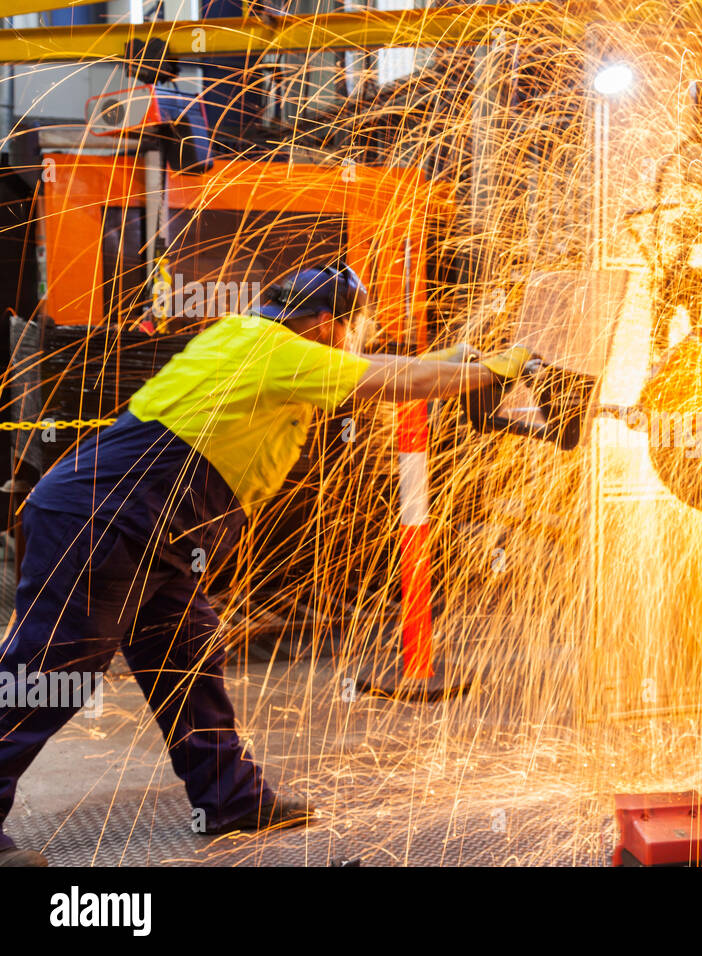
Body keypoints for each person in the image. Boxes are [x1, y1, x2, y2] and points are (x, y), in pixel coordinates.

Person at [0, 263, 530, 866]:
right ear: (329, 324)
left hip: (147, 525)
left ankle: (229, 799)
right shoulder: (275, 349)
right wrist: (491, 371)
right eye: (355, 328)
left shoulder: (246, 337)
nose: (358, 340)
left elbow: (387, 370)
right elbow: (397, 381)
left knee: (189, 659)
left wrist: (460, 361)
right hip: (109, 519)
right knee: (46, 675)